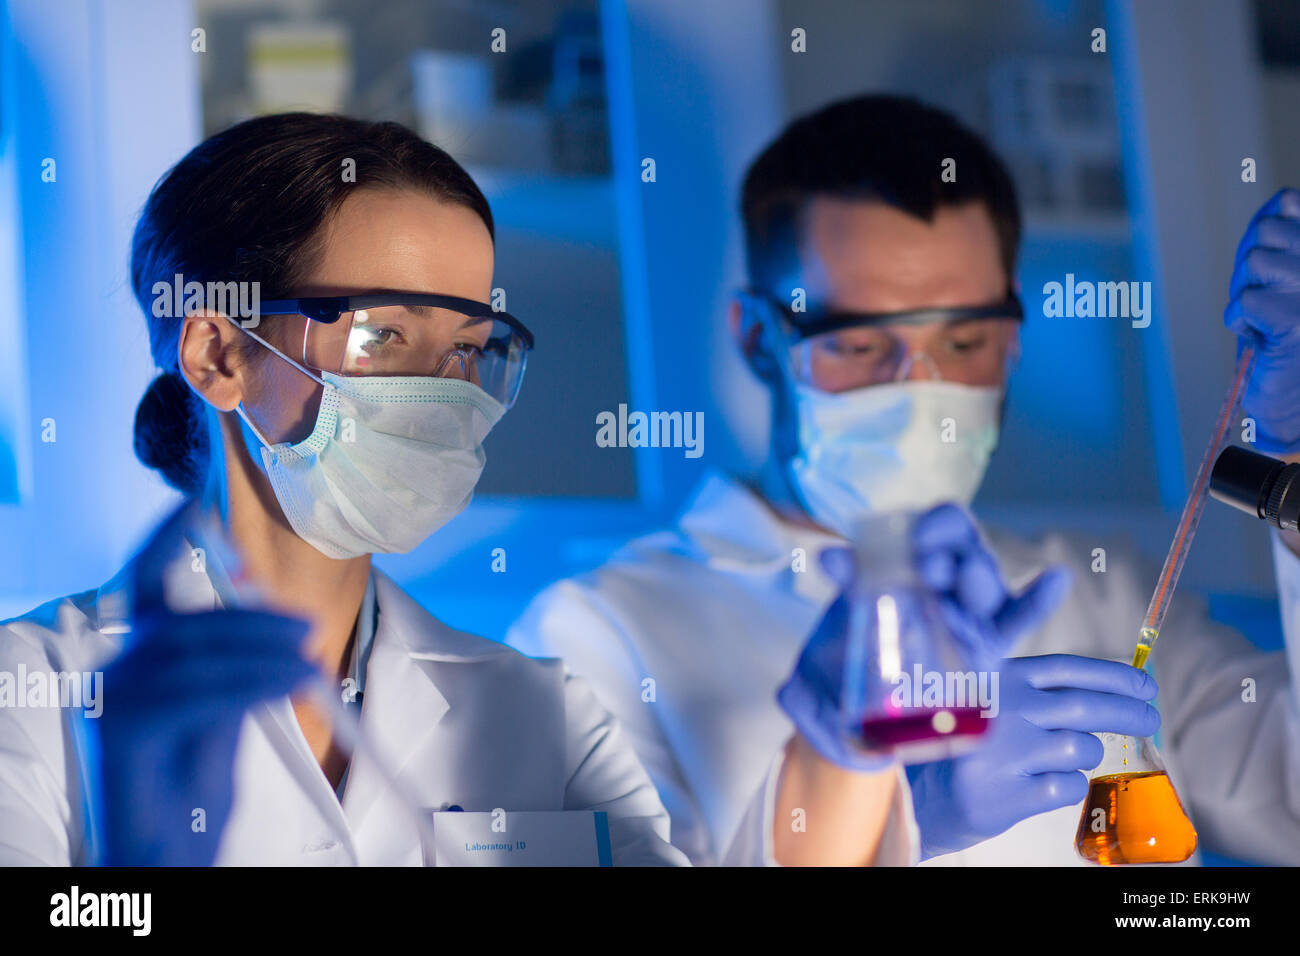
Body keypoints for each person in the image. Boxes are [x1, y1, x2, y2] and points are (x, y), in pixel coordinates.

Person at [508, 95, 1300, 866]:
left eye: (964, 342)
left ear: (1015, 341)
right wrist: (905, 818)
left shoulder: (1101, 592)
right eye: (859, 344)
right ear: (758, 339)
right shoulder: (592, 640)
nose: (921, 390)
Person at [0, 112, 707, 866]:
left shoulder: (543, 712)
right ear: (218, 353)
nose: (445, 394)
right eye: (383, 335)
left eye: (468, 349)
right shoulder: (32, 691)